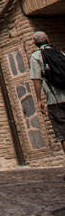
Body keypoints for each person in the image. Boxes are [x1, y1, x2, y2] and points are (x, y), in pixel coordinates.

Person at [29, 30, 65, 171]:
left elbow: (37, 79)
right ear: (48, 39)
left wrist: (39, 99)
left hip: (54, 100)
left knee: (62, 133)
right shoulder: (61, 54)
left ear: (34, 43)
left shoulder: (36, 57)